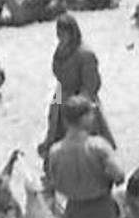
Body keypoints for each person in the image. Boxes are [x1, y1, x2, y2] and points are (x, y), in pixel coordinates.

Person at [40, 15, 116, 170]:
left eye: (64, 32)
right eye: (59, 32)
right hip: (62, 94)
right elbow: (59, 77)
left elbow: (91, 84)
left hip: (82, 100)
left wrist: (77, 106)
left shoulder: (85, 54)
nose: (61, 36)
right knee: (54, 129)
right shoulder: (60, 51)